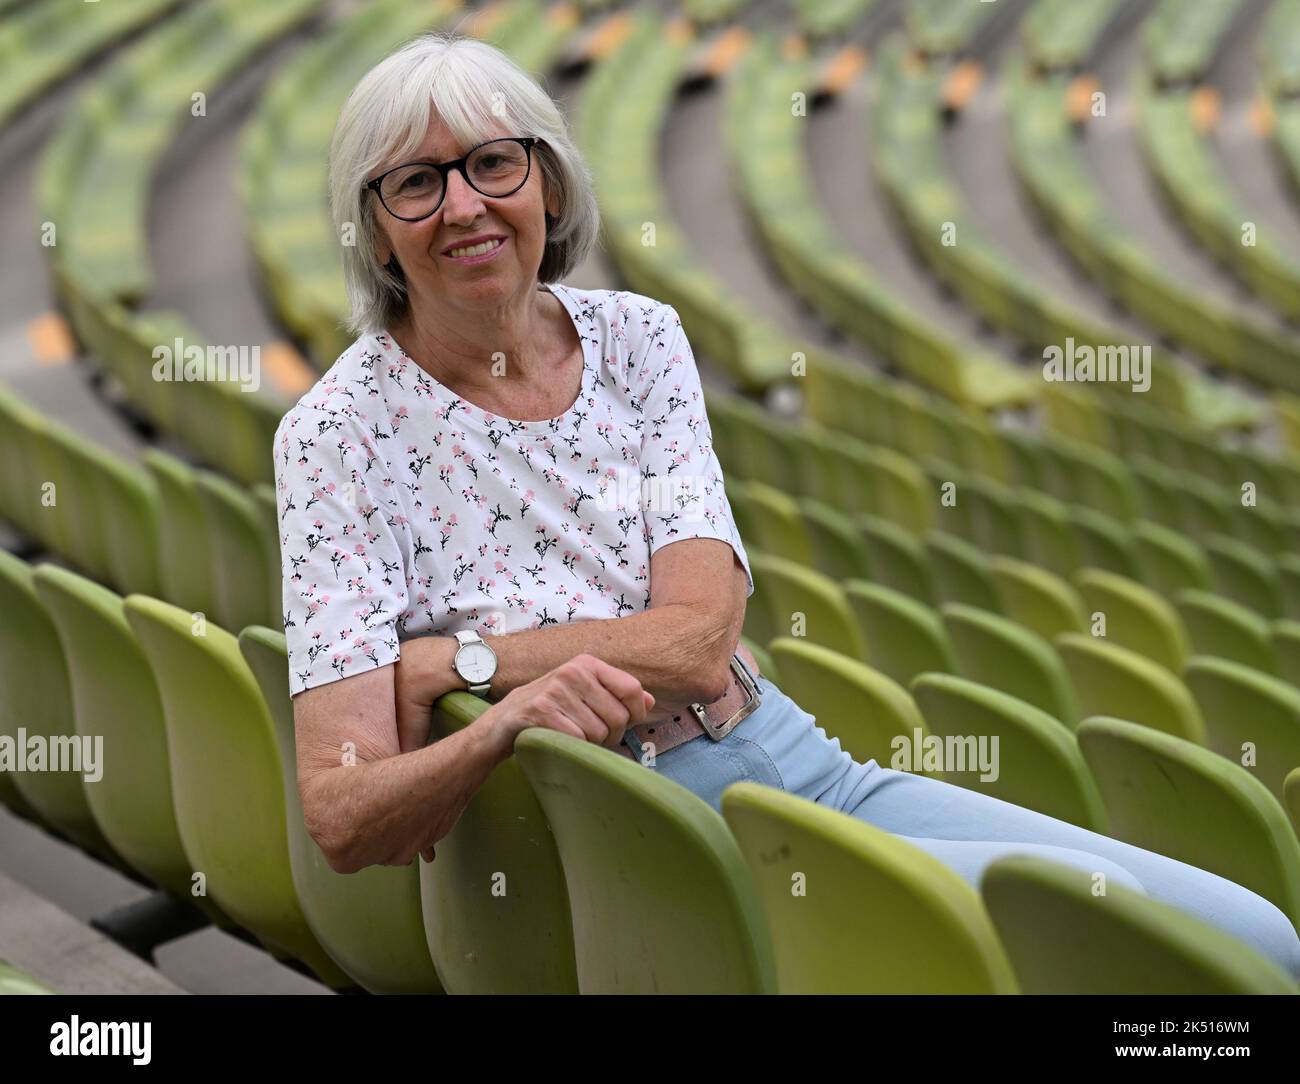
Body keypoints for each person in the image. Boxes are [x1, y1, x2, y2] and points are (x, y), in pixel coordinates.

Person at [273, 31, 1300, 981]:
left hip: (786, 755)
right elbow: (343, 809)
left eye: (492, 163)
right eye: (415, 182)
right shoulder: (336, 439)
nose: (462, 207)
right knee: (1119, 941)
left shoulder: (638, 339)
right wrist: (494, 733)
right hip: (639, 840)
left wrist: (463, 663)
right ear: (372, 225)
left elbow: (694, 646)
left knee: (1257, 934)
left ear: (545, 179)